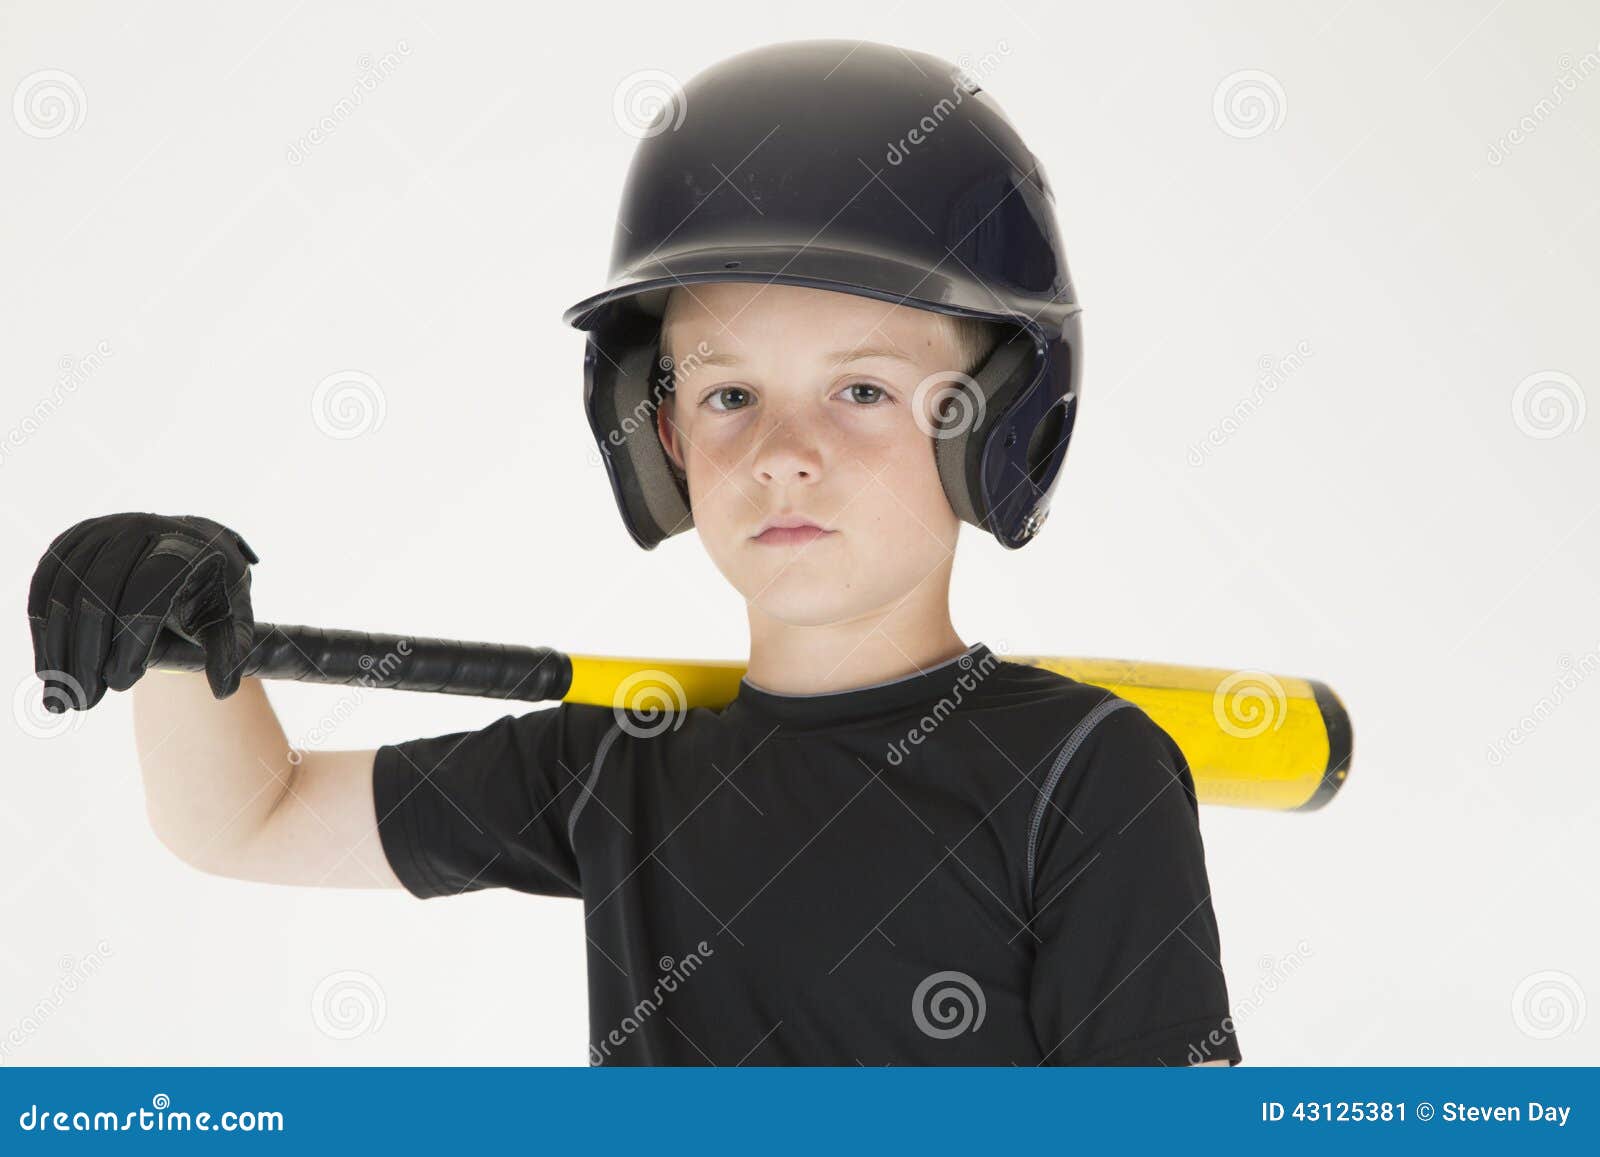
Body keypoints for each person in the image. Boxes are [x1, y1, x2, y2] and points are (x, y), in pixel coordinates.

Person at [26, 39, 1239, 1066]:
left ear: (999, 422)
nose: (781, 451)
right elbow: (249, 816)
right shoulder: (625, 763)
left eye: (860, 388)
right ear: (654, 430)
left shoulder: (1085, 774)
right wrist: (174, 630)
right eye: (726, 396)